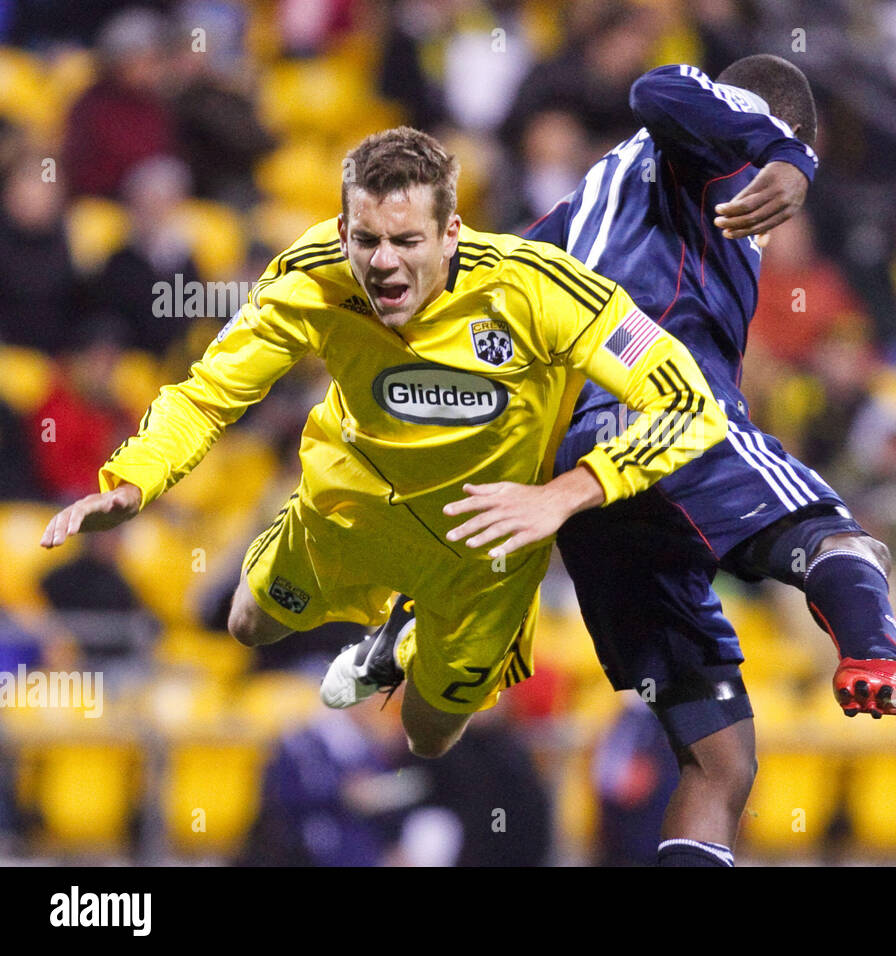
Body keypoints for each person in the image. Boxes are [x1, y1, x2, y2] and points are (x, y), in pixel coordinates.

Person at [366, 58, 896, 867]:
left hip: (588, 486)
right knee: (839, 536)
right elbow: (657, 88)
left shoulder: (590, 204)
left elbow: (498, 297)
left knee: (720, 763)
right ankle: (876, 654)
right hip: (661, 415)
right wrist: (788, 157)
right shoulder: (715, 142)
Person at [38, 125, 727, 762]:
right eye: (366, 240)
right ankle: (363, 600)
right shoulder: (310, 275)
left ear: (451, 232)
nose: (384, 264)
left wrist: (566, 494)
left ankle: (404, 640)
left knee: (428, 736)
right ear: (342, 230)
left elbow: (693, 405)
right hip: (352, 509)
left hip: (482, 552)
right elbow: (207, 393)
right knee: (246, 624)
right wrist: (134, 480)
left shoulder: (537, 290)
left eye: (407, 241)